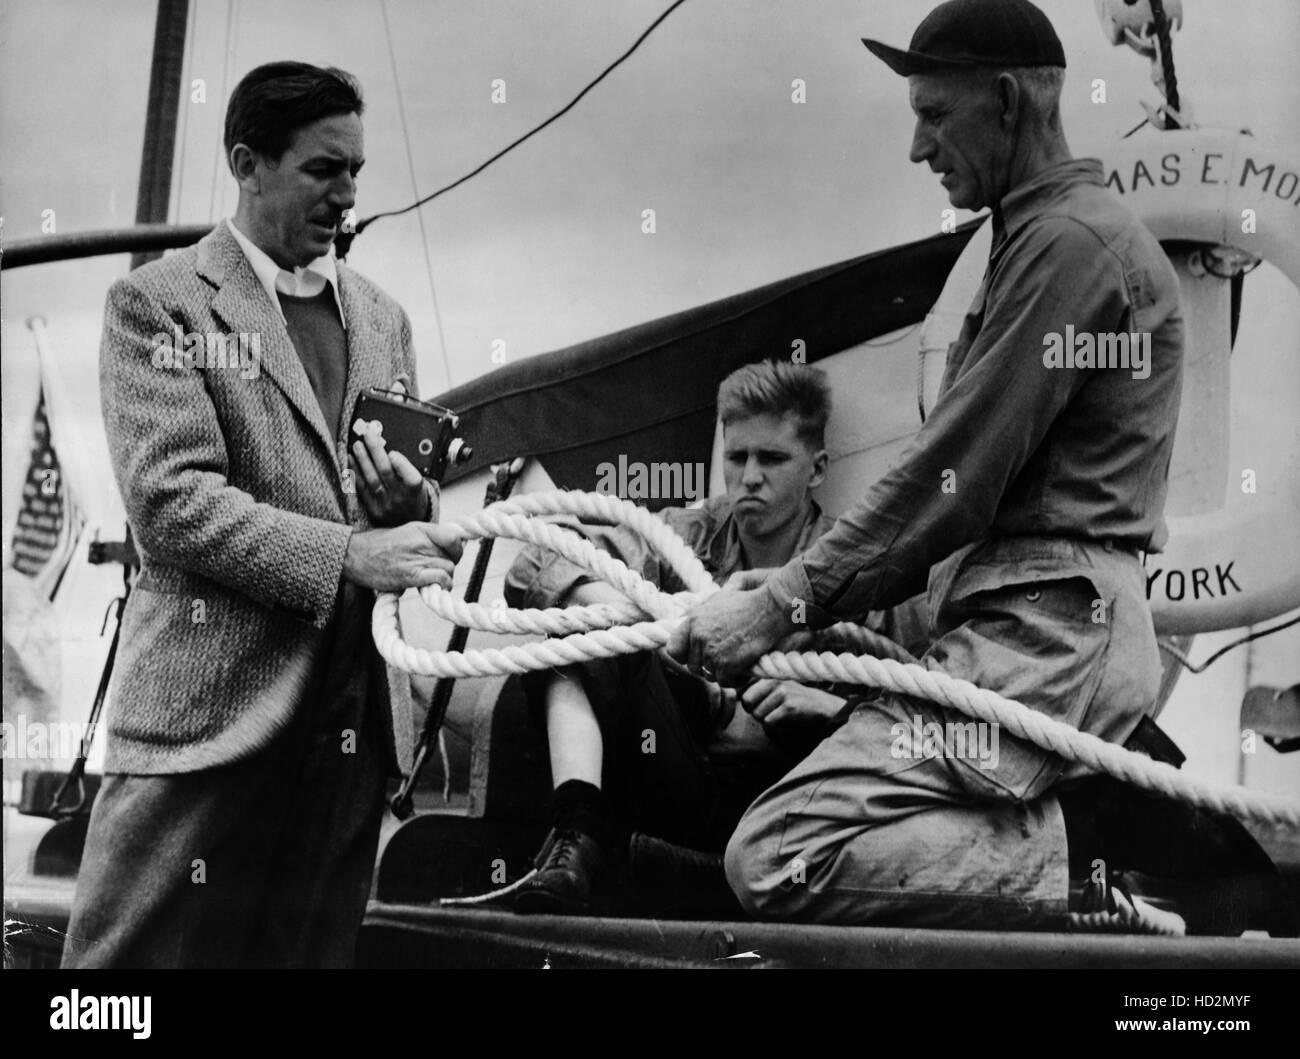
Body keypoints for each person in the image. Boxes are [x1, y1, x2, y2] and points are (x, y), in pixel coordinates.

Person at [668, 0, 1184, 928]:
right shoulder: (1032, 238)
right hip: (1013, 625)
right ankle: (1071, 860)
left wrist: (780, 602)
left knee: (779, 854)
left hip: (1047, 638)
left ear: (1006, 101)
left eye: (934, 116)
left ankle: (1090, 847)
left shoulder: (1069, 245)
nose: (917, 148)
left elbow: (953, 474)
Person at [62, 62, 463, 968]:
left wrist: (410, 504)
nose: (348, 194)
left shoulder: (383, 318)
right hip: (209, 718)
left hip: (354, 718)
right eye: (325, 169)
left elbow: (393, 498)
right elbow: (172, 501)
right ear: (248, 164)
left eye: (356, 169)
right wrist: (353, 552)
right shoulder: (158, 305)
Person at [504, 360, 875, 915]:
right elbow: (541, 557)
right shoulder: (689, 535)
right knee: (575, 630)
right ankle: (576, 835)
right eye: (737, 456)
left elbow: (922, 703)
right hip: (683, 771)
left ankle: (710, 877)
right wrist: (641, 621)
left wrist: (828, 712)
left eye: (772, 459)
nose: (750, 477)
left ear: (817, 468)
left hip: (787, 805)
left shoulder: (859, 565)